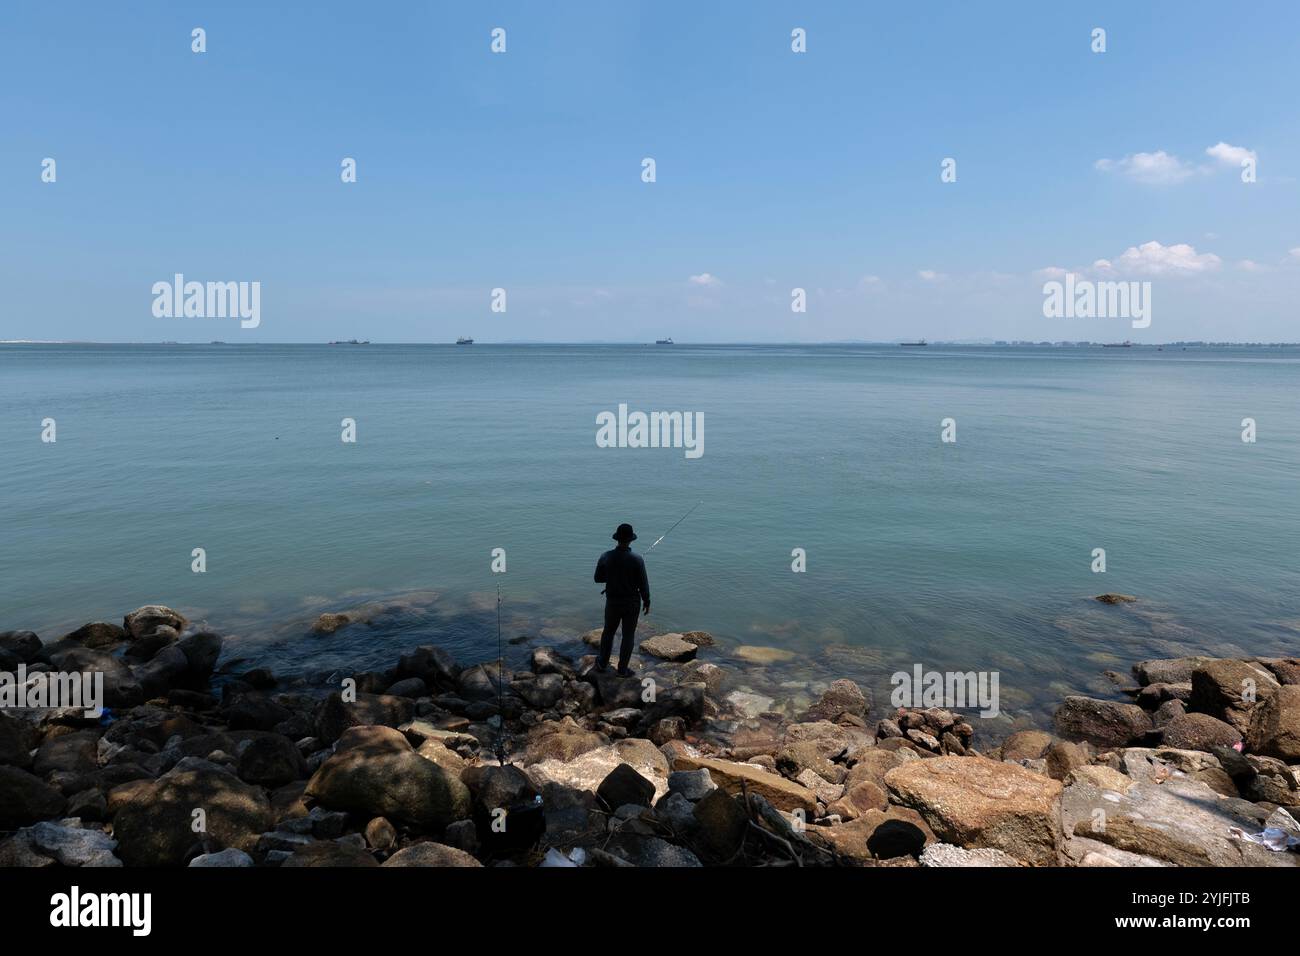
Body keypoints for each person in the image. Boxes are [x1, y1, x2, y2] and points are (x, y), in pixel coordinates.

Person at [593, 523, 650, 676]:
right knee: (628, 635)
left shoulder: (606, 556)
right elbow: (643, 583)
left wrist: (612, 576)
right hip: (632, 602)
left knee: (608, 632)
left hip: (613, 602)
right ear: (631, 540)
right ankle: (622, 669)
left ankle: (602, 663)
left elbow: (597, 578)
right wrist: (647, 601)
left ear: (617, 539)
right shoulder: (637, 559)